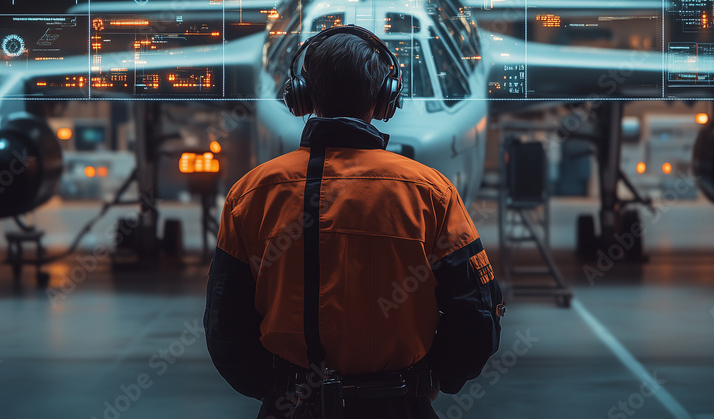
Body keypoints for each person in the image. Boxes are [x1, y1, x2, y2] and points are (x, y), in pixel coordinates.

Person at [204, 25, 503, 419]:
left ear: (302, 95)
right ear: (385, 99)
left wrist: (278, 390)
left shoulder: (250, 194)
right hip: (399, 404)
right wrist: (431, 380)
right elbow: (478, 319)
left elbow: (224, 327)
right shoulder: (432, 193)